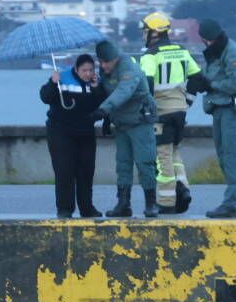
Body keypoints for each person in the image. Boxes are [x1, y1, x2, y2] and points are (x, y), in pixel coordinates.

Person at [137, 11, 201, 215]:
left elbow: (145, 84)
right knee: (174, 153)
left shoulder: (150, 55)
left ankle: (166, 200)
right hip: (180, 112)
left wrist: (145, 108)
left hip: (160, 113)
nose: (143, 35)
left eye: (145, 31)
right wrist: (188, 100)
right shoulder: (182, 51)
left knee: (162, 156)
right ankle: (183, 188)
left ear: (153, 33)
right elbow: (199, 78)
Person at [187, 18, 236, 217]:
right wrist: (200, 80)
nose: (205, 44)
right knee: (223, 156)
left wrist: (211, 85)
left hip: (230, 108)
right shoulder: (217, 52)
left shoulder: (234, 53)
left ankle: (231, 204)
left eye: (206, 41)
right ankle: (235, 205)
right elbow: (213, 73)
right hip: (218, 107)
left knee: (231, 156)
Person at [93, 39, 158, 218]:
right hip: (121, 121)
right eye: (101, 61)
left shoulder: (129, 68)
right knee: (123, 164)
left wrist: (103, 110)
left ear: (115, 58)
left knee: (145, 161)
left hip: (140, 120)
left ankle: (151, 203)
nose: (103, 65)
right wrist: (107, 117)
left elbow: (124, 91)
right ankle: (123, 204)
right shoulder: (105, 70)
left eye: (107, 62)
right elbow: (107, 91)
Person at [39, 53, 107, 218]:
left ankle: (87, 208)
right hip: (60, 132)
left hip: (85, 132)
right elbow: (45, 97)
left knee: (86, 172)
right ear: (76, 69)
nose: (88, 73)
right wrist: (53, 83)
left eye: (91, 70)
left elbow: (102, 103)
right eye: (84, 70)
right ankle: (65, 209)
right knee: (64, 171)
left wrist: (97, 88)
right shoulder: (62, 78)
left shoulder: (94, 82)